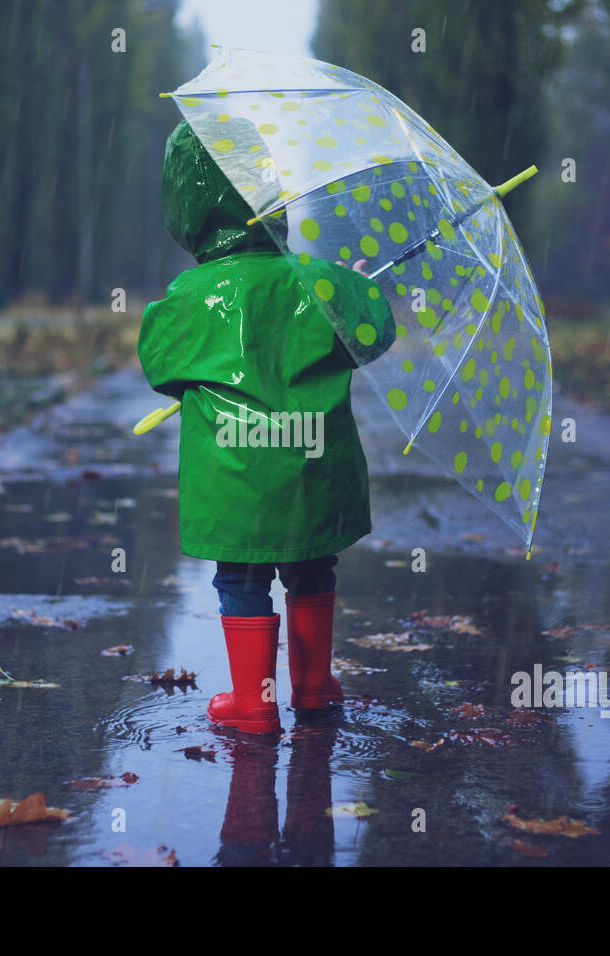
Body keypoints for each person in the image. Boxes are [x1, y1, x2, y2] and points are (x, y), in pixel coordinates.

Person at [138, 119, 394, 734]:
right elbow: (375, 331)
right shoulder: (320, 281)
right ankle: (311, 685)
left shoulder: (191, 295)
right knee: (313, 564)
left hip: (235, 477)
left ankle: (253, 702)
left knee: (244, 576)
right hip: (313, 468)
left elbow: (158, 361)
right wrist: (353, 286)